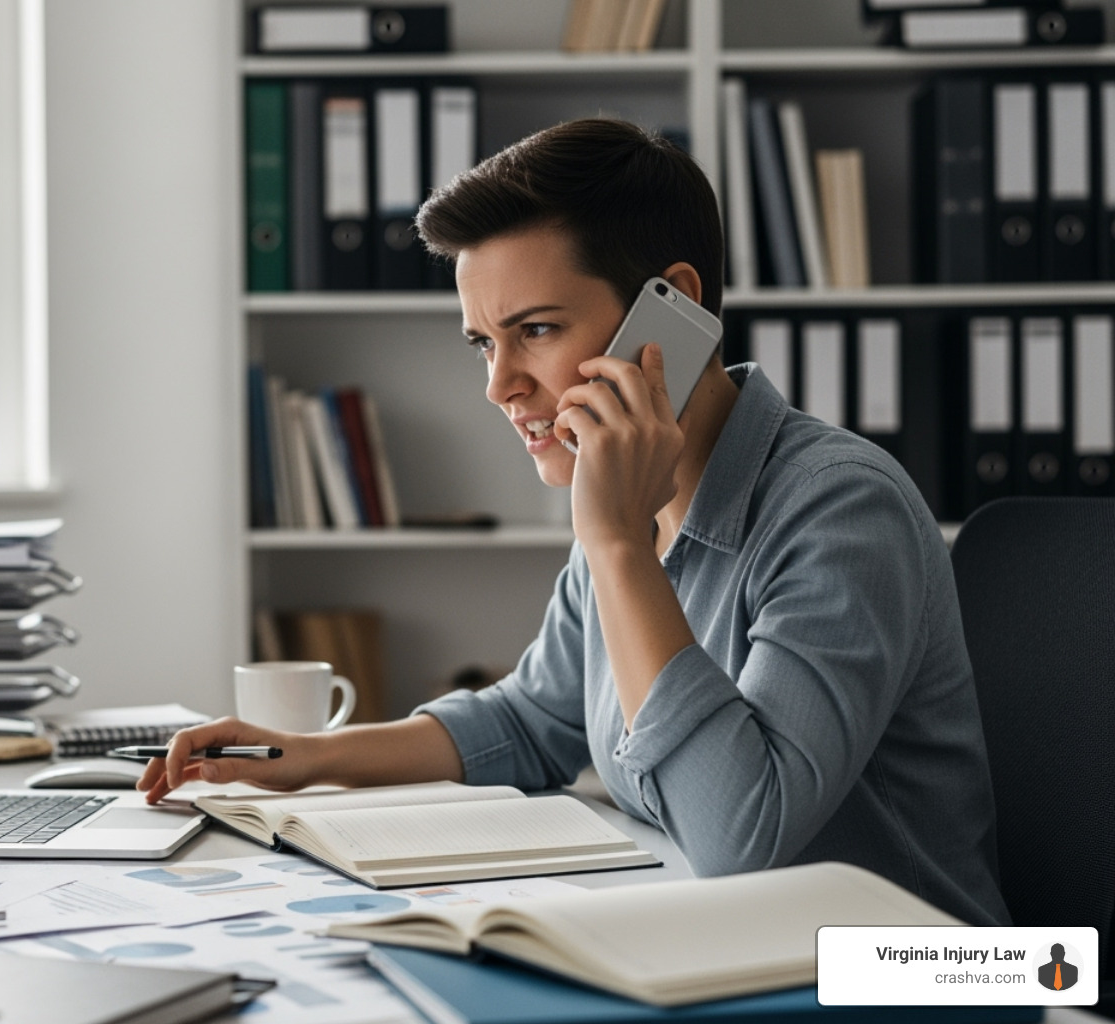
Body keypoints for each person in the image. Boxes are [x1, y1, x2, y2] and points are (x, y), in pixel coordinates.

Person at [140, 117, 1009, 927]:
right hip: (728, 941)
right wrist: (310, 756)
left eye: (538, 329)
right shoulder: (629, 496)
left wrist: (616, 546)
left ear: (673, 308)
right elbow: (531, 721)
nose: (499, 384)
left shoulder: (838, 509)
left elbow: (743, 840)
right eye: (484, 342)